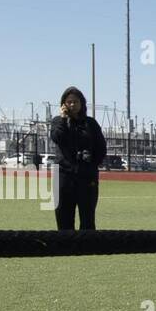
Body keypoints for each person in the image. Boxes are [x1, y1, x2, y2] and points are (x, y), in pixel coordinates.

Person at [48, 86, 107, 230]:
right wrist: (63, 119)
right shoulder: (57, 121)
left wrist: (91, 164)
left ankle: (86, 243)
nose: (72, 105)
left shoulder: (91, 124)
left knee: (88, 220)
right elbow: (57, 137)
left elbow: (101, 148)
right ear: (63, 104)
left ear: (82, 104)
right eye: (69, 102)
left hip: (86, 177)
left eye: (76, 102)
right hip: (63, 176)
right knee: (64, 220)